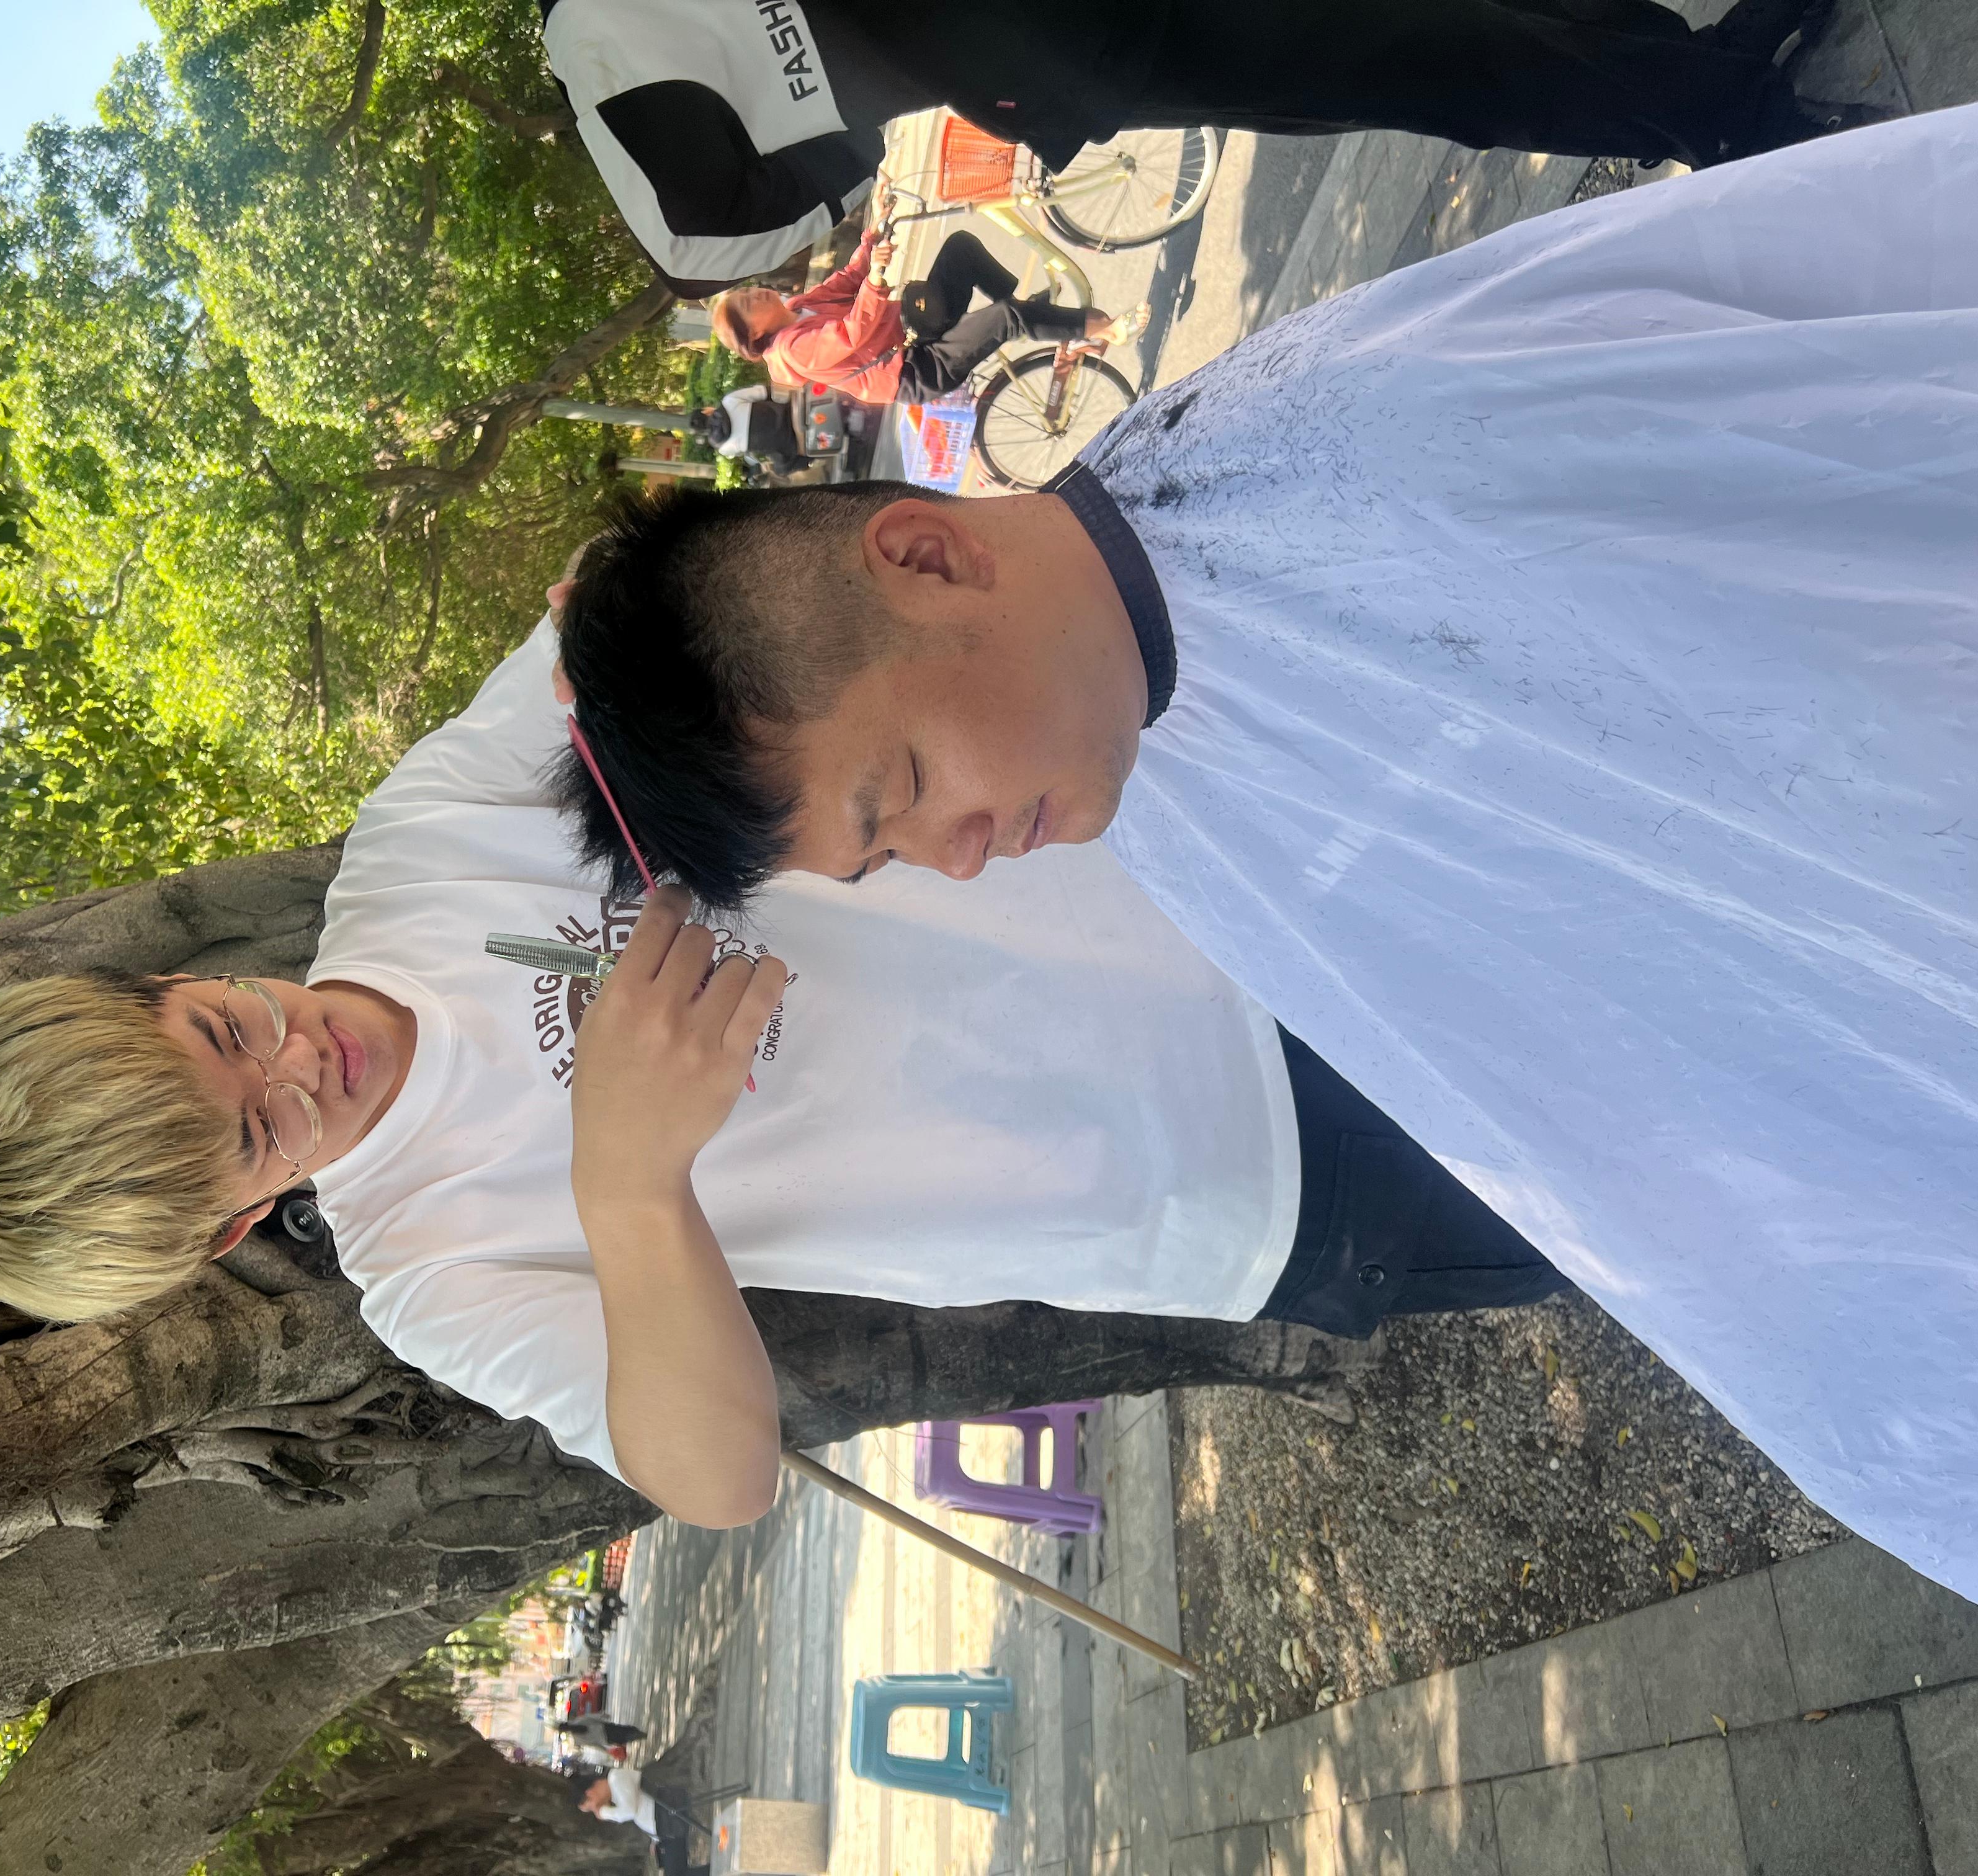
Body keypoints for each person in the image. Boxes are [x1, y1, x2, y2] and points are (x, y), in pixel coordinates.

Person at [548, 106, 1978, 1594]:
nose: (956, 856)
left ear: (925, 555)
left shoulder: (1385, 435)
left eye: (898, 786)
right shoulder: (1171, 816)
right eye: (894, 858)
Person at [0, 619, 1565, 1530]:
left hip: (1222, 871)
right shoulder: (430, 1267)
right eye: (261, 1131)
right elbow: (713, 1480)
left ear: (173, 981)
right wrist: (629, 1182)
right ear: (236, 1224)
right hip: (1246, 1178)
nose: (299, 1060)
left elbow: (628, 616)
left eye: (227, 1030)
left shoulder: (420, 844)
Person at [539, 0, 1860, 295]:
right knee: (1408, 51)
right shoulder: (591, 30)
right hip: (1058, 42)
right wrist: (849, 154)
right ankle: (1719, 110)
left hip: (1045, 45)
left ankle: (1698, 80)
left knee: (1420, 32)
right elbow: (698, 238)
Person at [713, 225, 1125, 407]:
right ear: (756, 333)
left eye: (747, 291)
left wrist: (871, 239)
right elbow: (851, 335)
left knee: (960, 248)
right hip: (915, 370)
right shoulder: (793, 351)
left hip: (914, 327)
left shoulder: (797, 308)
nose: (756, 294)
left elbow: (847, 279)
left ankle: (1038, 318)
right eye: (749, 305)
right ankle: (1106, 330)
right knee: (1006, 318)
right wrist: (877, 279)